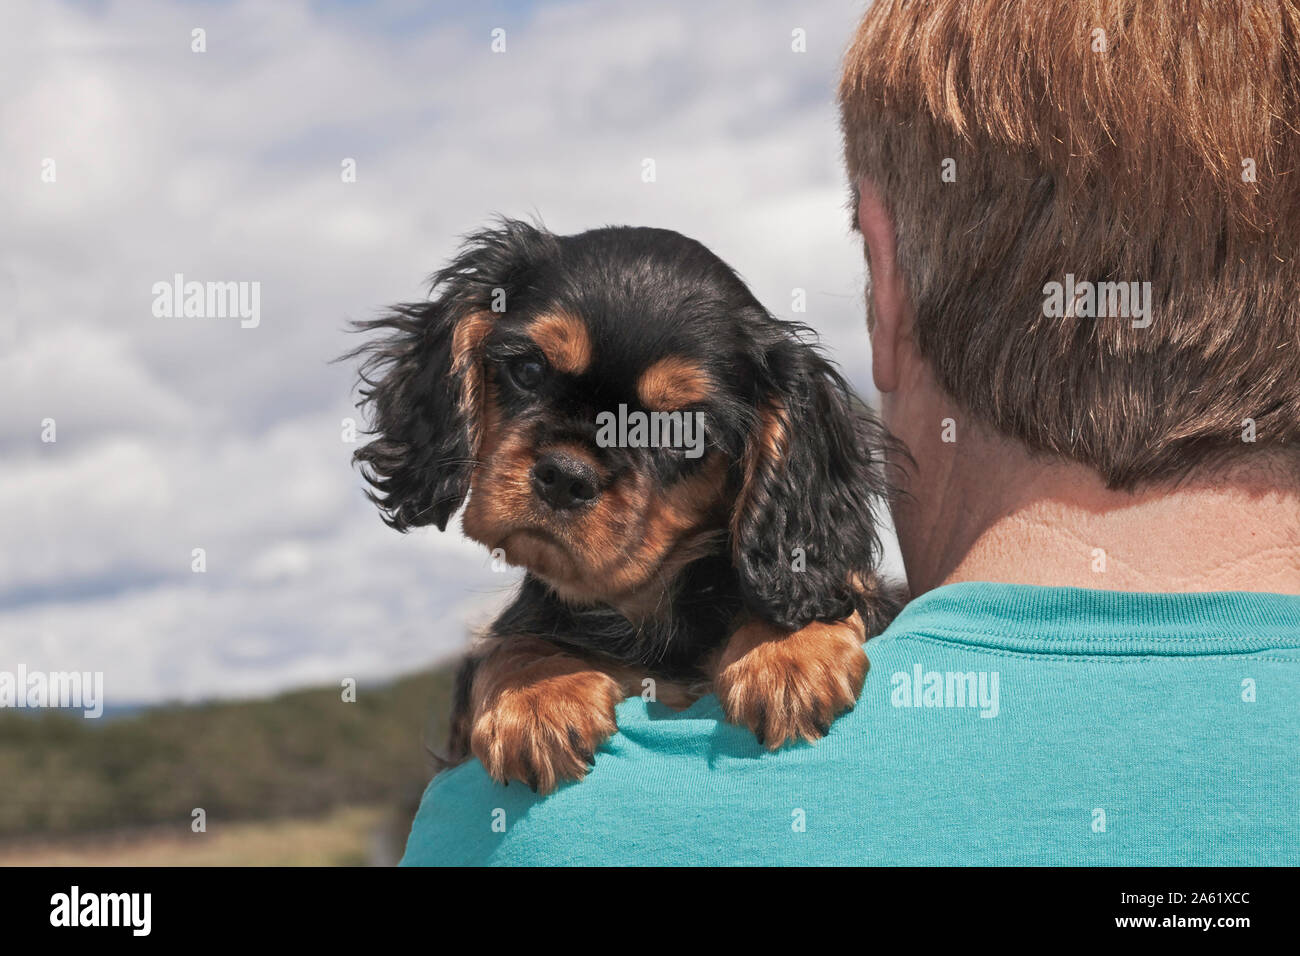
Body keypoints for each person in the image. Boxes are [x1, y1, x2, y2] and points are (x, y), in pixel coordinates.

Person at [401, 0, 1300, 865]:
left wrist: (803, 621)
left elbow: (811, 583)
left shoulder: (516, 832)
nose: (571, 465)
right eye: (524, 375)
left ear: (884, 274)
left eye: (672, 434)